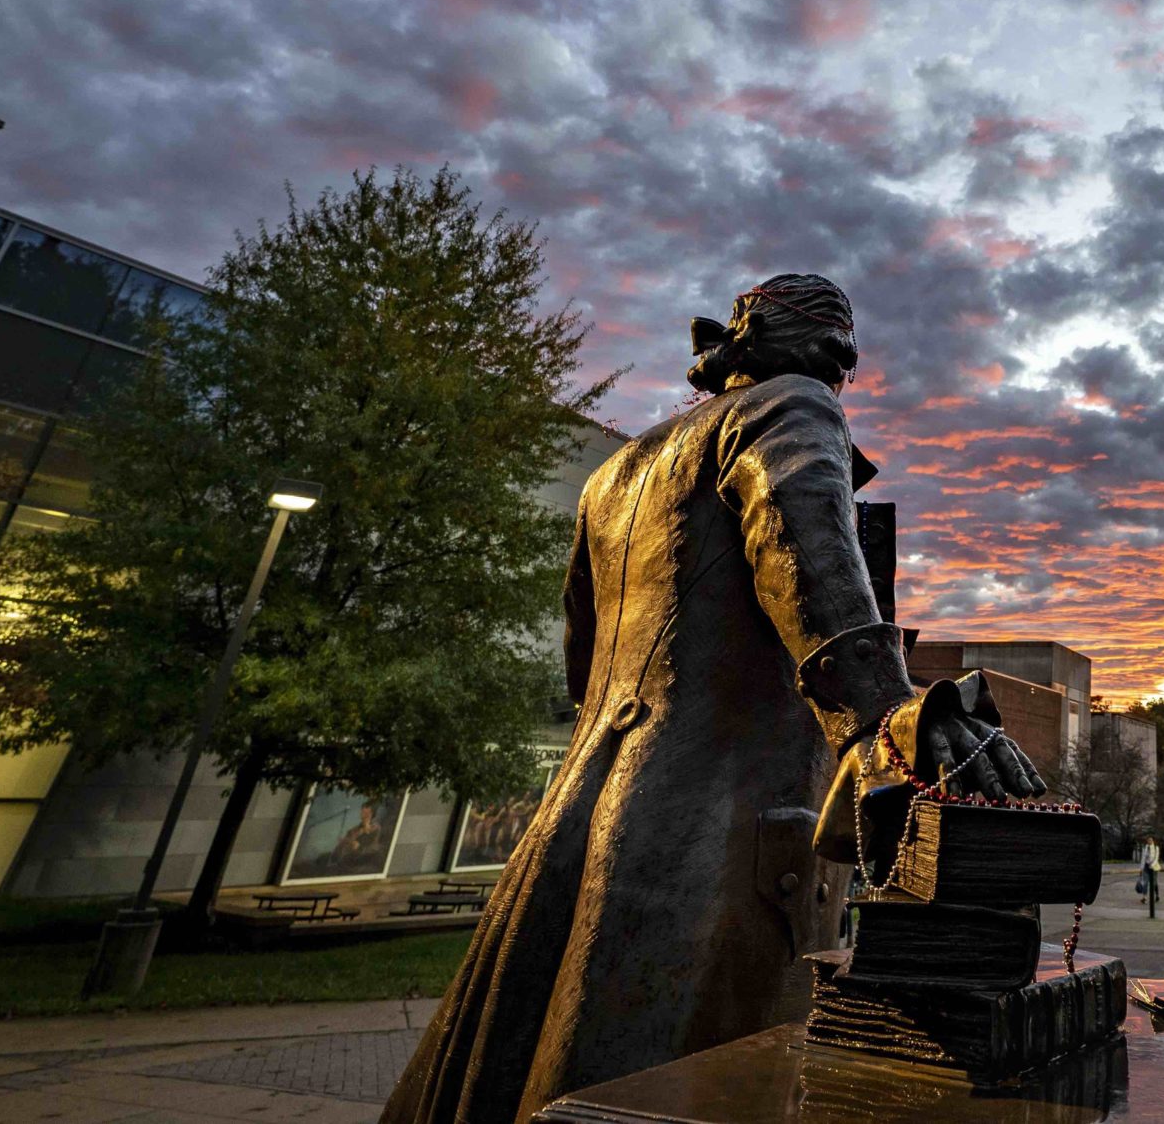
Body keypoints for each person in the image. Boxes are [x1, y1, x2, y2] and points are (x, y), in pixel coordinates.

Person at [384, 276, 1043, 1124]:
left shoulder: (612, 476)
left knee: (543, 1062)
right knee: (686, 1085)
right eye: (832, 344)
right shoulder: (790, 408)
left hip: (584, 815)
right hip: (717, 830)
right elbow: (805, 555)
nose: (841, 367)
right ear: (781, 343)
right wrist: (886, 719)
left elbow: (584, 668)